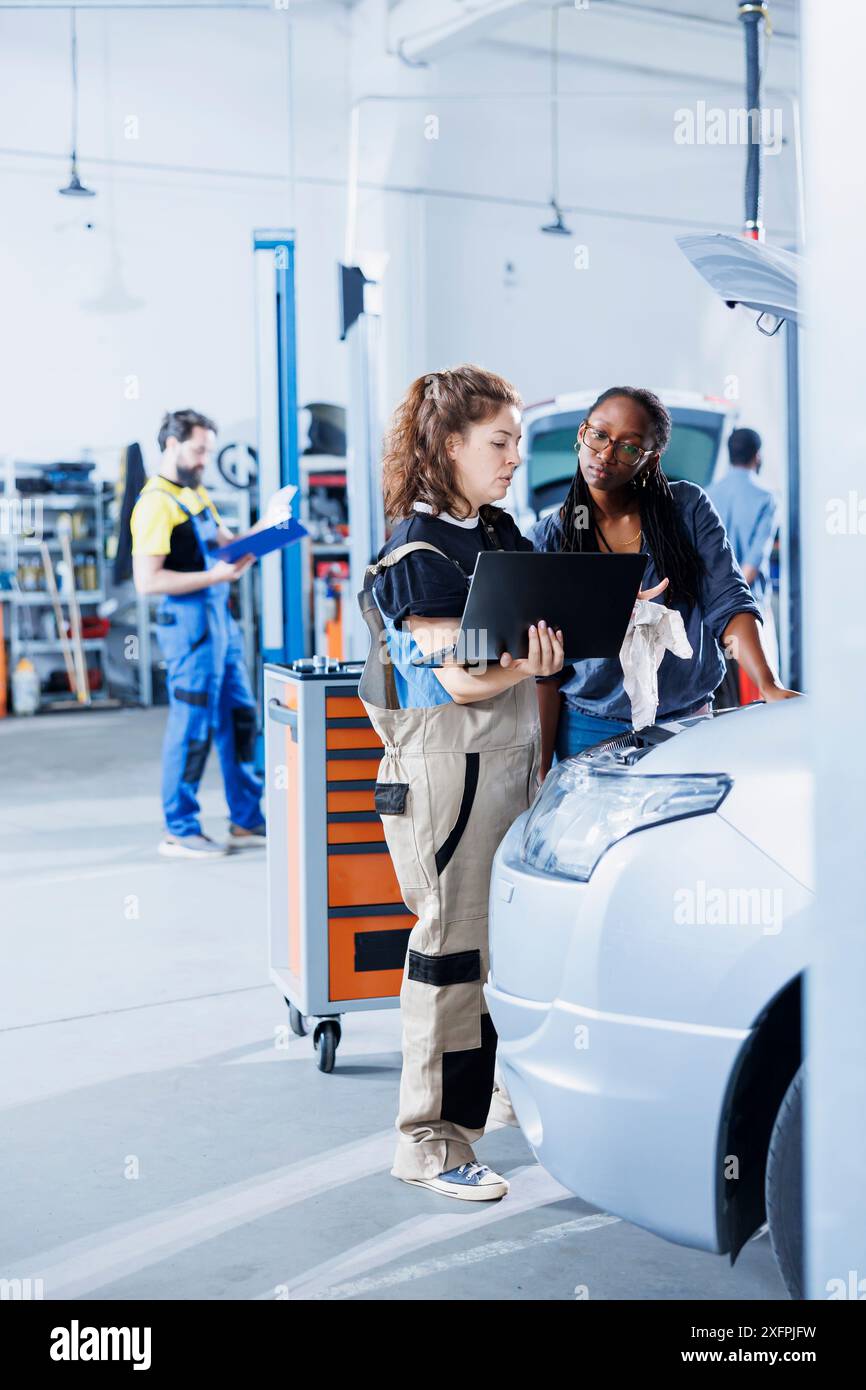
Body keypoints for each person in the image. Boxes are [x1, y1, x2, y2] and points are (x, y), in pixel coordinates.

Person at [357, 365, 564, 1202]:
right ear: (449, 445)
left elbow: (537, 622)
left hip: (510, 759)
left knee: (508, 942)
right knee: (451, 949)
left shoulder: (497, 530)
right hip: (451, 770)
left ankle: (495, 1096)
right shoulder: (416, 551)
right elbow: (458, 677)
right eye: (501, 442)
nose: (516, 456)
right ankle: (431, 1142)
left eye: (518, 441)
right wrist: (527, 661)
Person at [529, 388, 797, 771]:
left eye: (628, 448)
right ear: (582, 434)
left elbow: (728, 601)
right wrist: (542, 770)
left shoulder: (687, 508)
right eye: (599, 435)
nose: (605, 454)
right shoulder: (551, 537)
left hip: (686, 726)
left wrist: (767, 684)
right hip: (588, 733)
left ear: (650, 461)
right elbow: (547, 670)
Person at [131, 408, 291, 859]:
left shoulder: (195, 494)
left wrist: (272, 524)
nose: (205, 459)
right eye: (199, 450)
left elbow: (231, 551)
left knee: (240, 719)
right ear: (172, 444)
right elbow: (149, 582)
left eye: (208, 451)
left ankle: (246, 819)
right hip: (188, 626)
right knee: (193, 726)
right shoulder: (153, 504)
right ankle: (179, 829)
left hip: (219, 624)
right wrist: (214, 579)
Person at [707, 427, 780, 705]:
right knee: (762, 693)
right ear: (757, 457)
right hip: (751, 608)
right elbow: (751, 565)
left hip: (713, 612)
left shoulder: (708, 494)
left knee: (725, 696)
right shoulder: (766, 497)